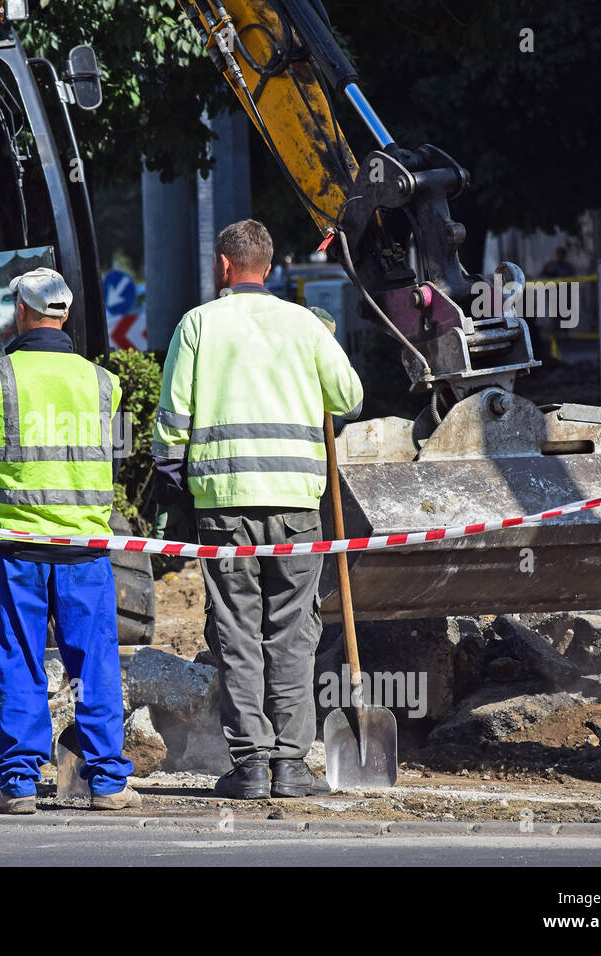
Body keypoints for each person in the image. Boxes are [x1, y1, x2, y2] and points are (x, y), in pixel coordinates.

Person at [152, 219, 364, 800]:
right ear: (266, 267)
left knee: (235, 630)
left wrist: (172, 488)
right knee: (294, 632)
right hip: (296, 502)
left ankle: (249, 767)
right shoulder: (303, 324)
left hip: (223, 505)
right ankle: (292, 766)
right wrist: (319, 343)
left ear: (224, 265)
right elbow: (349, 397)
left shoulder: (197, 325)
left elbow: (171, 422)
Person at [0, 267, 139, 814]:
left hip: (20, 549)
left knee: (20, 662)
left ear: (22, 313)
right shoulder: (101, 381)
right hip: (84, 549)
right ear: (65, 315)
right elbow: (113, 458)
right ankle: (106, 781)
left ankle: (19, 785)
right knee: (94, 662)